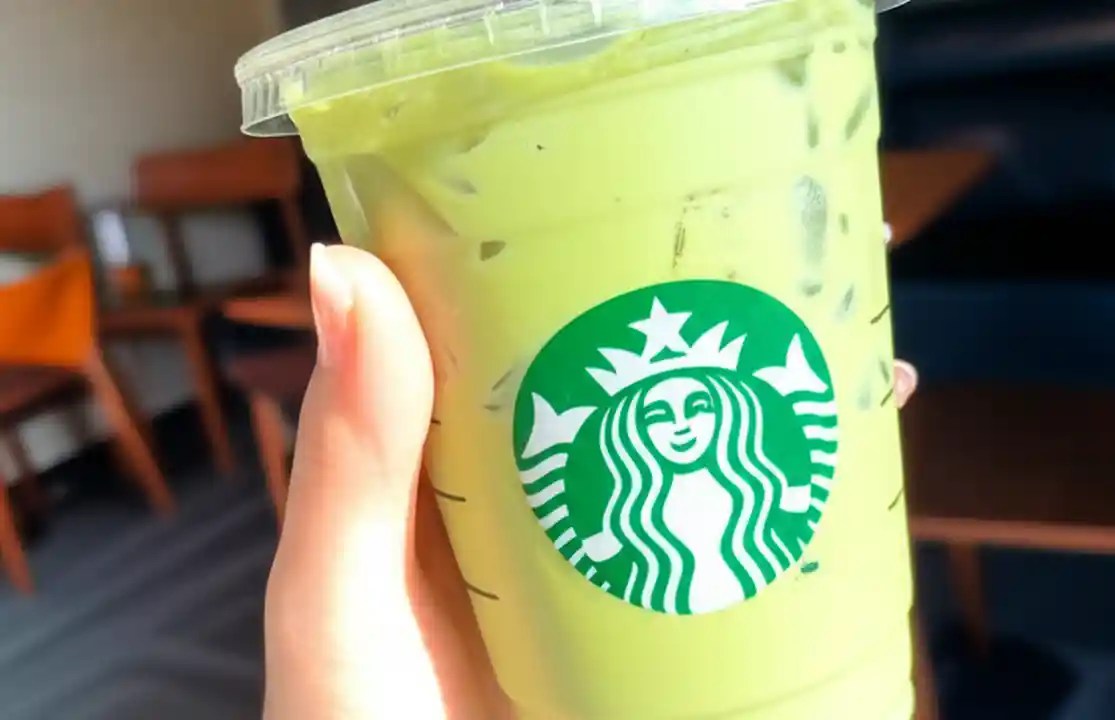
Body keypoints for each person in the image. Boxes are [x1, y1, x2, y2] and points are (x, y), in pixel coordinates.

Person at [262, 244, 919, 719]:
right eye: (658, 413)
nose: (680, 427)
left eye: (698, 408)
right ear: (629, 431)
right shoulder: (623, 533)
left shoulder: (766, 500)